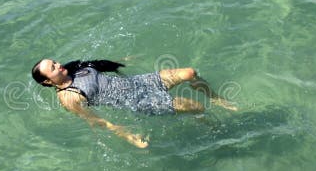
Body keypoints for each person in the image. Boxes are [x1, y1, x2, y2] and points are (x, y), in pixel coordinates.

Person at [31, 58, 237, 148]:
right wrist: (129, 136)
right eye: (53, 67)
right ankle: (213, 128)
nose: (58, 65)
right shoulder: (69, 97)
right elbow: (97, 122)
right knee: (196, 107)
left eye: (55, 62)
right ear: (48, 81)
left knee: (190, 72)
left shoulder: (72, 68)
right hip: (140, 101)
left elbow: (99, 65)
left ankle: (215, 97)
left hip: (138, 82)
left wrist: (123, 61)